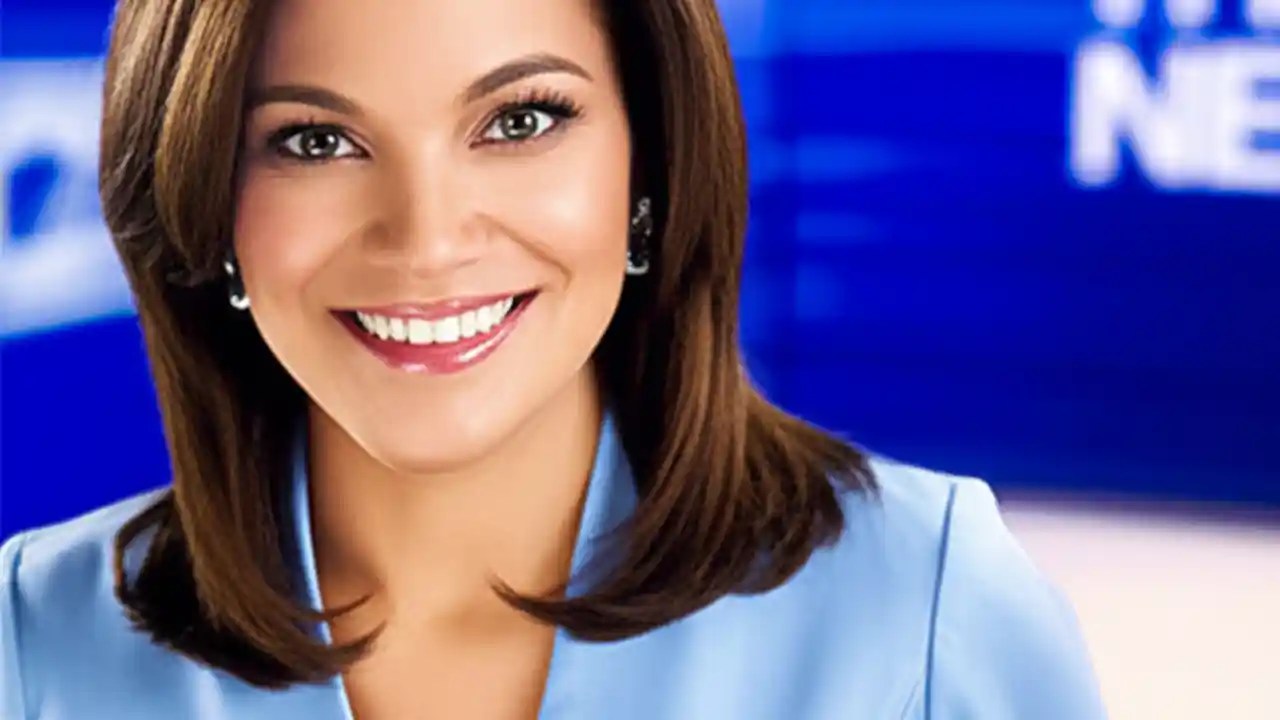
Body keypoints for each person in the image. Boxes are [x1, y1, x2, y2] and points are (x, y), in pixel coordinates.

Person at [0, 0, 1107, 717]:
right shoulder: (34, 640)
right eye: (316, 141)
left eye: (520, 121)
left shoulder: (923, 606)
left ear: (649, 165)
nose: (428, 241)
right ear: (204, 204)